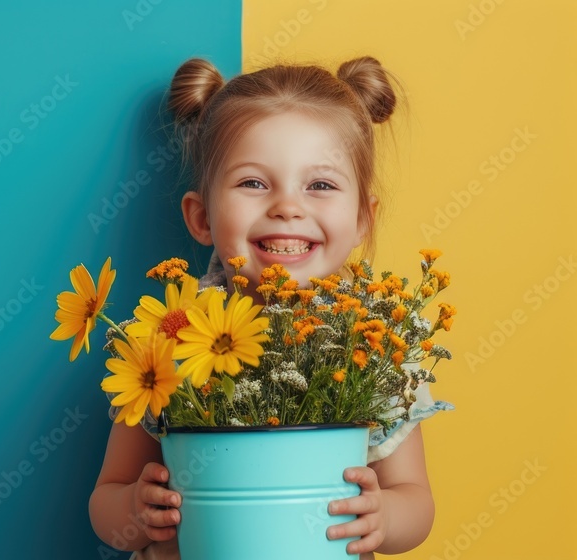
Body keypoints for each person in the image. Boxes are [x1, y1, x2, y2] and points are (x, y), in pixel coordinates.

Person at [88, 56, 450, 559]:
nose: (287, 206)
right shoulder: (164, 334)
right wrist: (135, 509)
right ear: (201, 218)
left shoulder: (379, 343)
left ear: (364, 218)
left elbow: (416, 500)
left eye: (320, 185)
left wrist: (385, 517)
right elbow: (107, 496)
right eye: (253, 183)